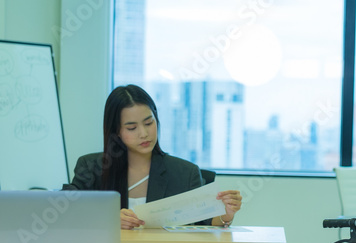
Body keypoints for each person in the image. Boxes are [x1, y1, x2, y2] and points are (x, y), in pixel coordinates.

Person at [65, 84, 242, 229]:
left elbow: (203, 224)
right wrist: (107, 218)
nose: (144, 133)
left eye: (149, 123)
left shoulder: (185, 173)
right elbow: (66, 210)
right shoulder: (91, 167)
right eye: (132, 128)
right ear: (116, 132)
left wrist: (225, 215)